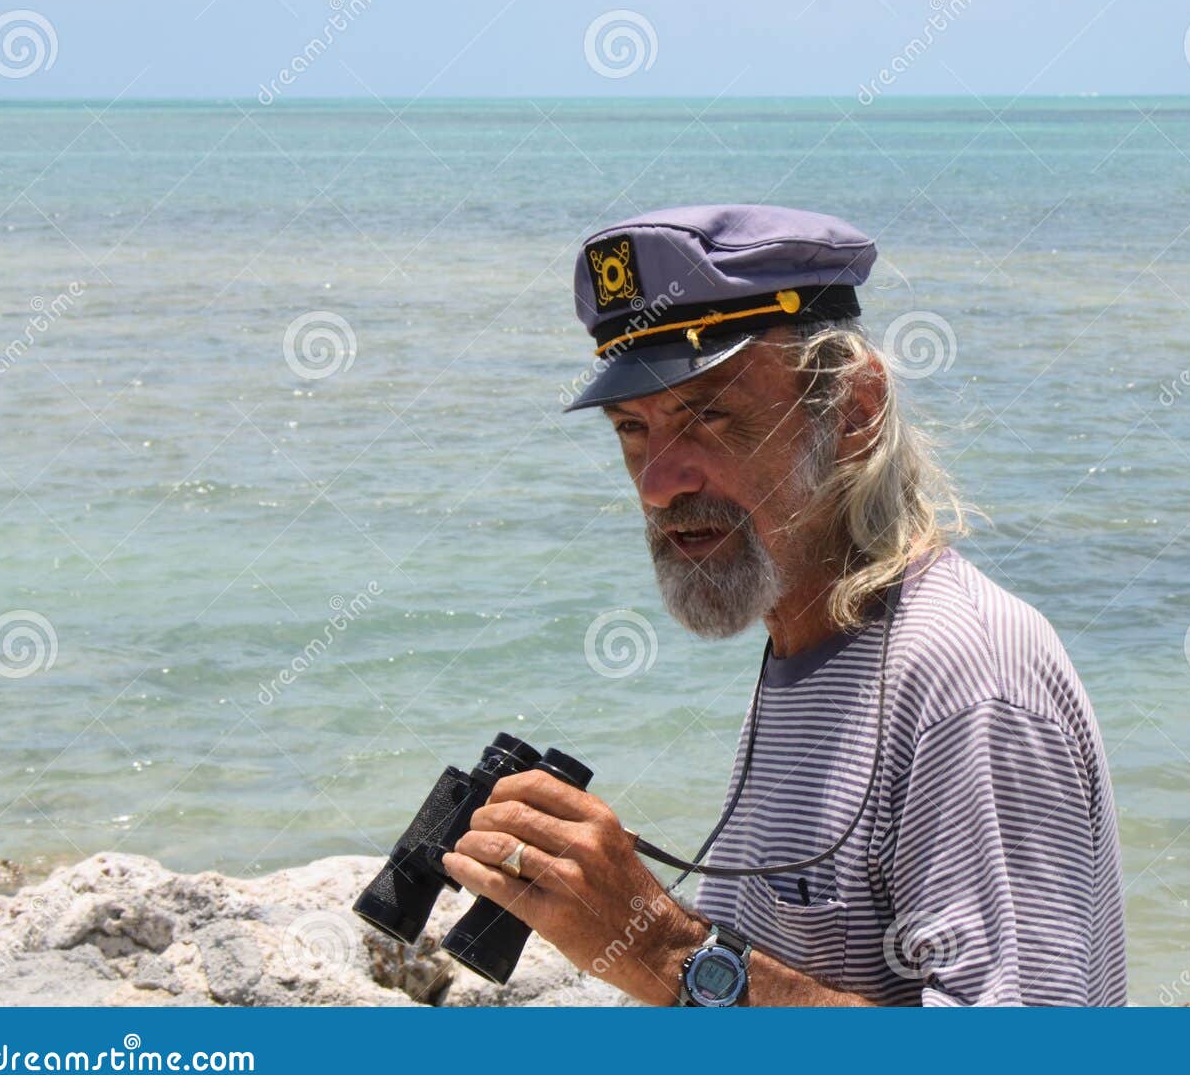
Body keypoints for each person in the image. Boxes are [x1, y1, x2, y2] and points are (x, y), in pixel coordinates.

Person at [443, 204, 1127, 1006]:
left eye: (708, 415)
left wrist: (663, 949)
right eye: (633, 427)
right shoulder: (809, 638)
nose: (660, 482)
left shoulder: (962, 676)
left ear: (852, 410)